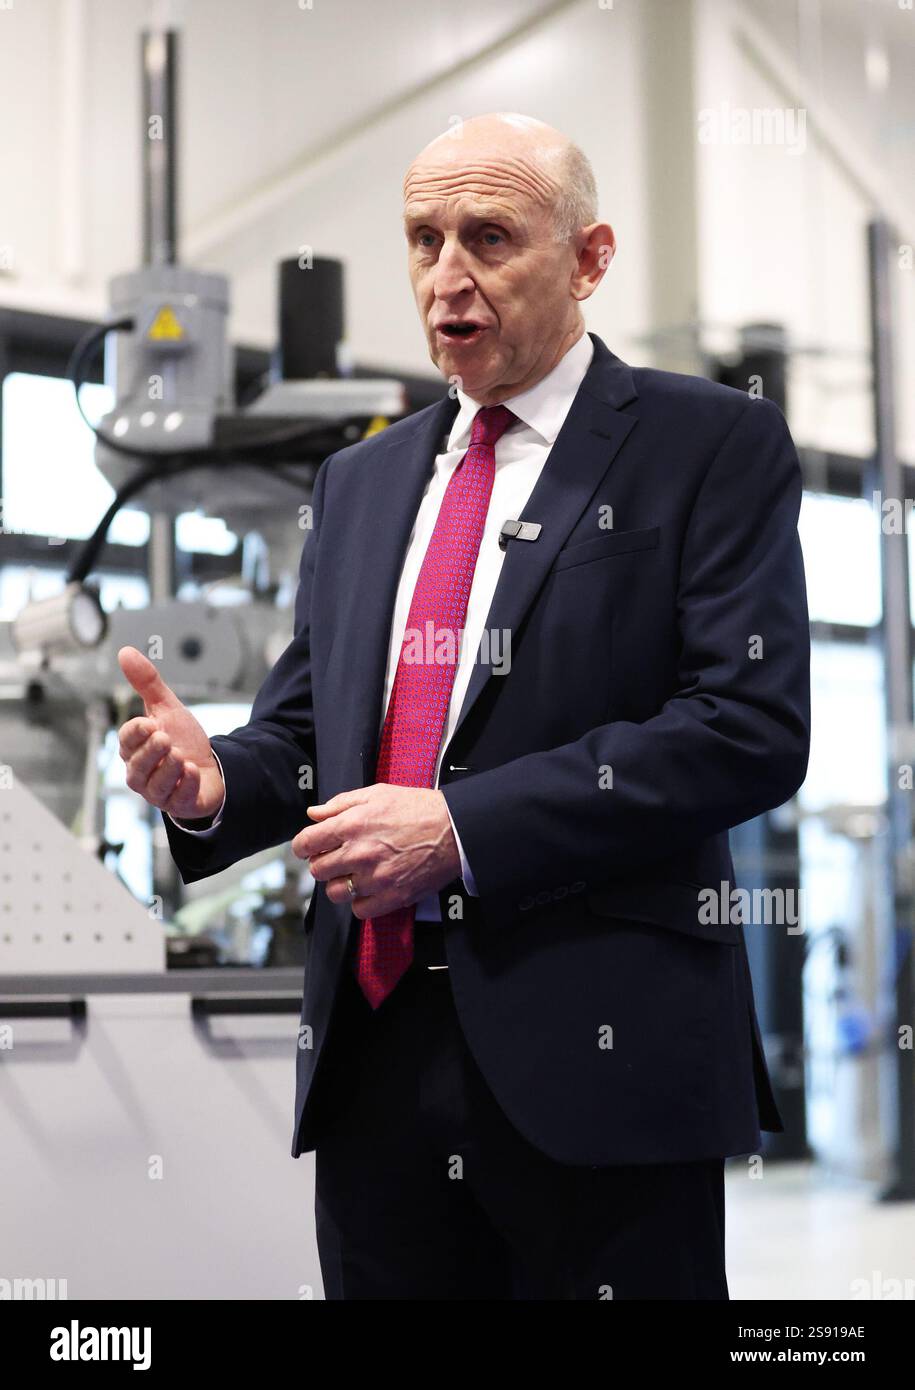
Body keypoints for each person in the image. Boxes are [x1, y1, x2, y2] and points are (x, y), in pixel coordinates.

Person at [117, 112, 811, 1300]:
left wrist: (462, 830)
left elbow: (746, 725)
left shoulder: (708, 445)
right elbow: (309, 730)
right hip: (376, 1059)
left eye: (489, 237)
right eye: (423, 239)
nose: (449, 279)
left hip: (600, 1070)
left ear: (589, 258)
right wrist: (220, 782)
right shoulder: (363, 481)